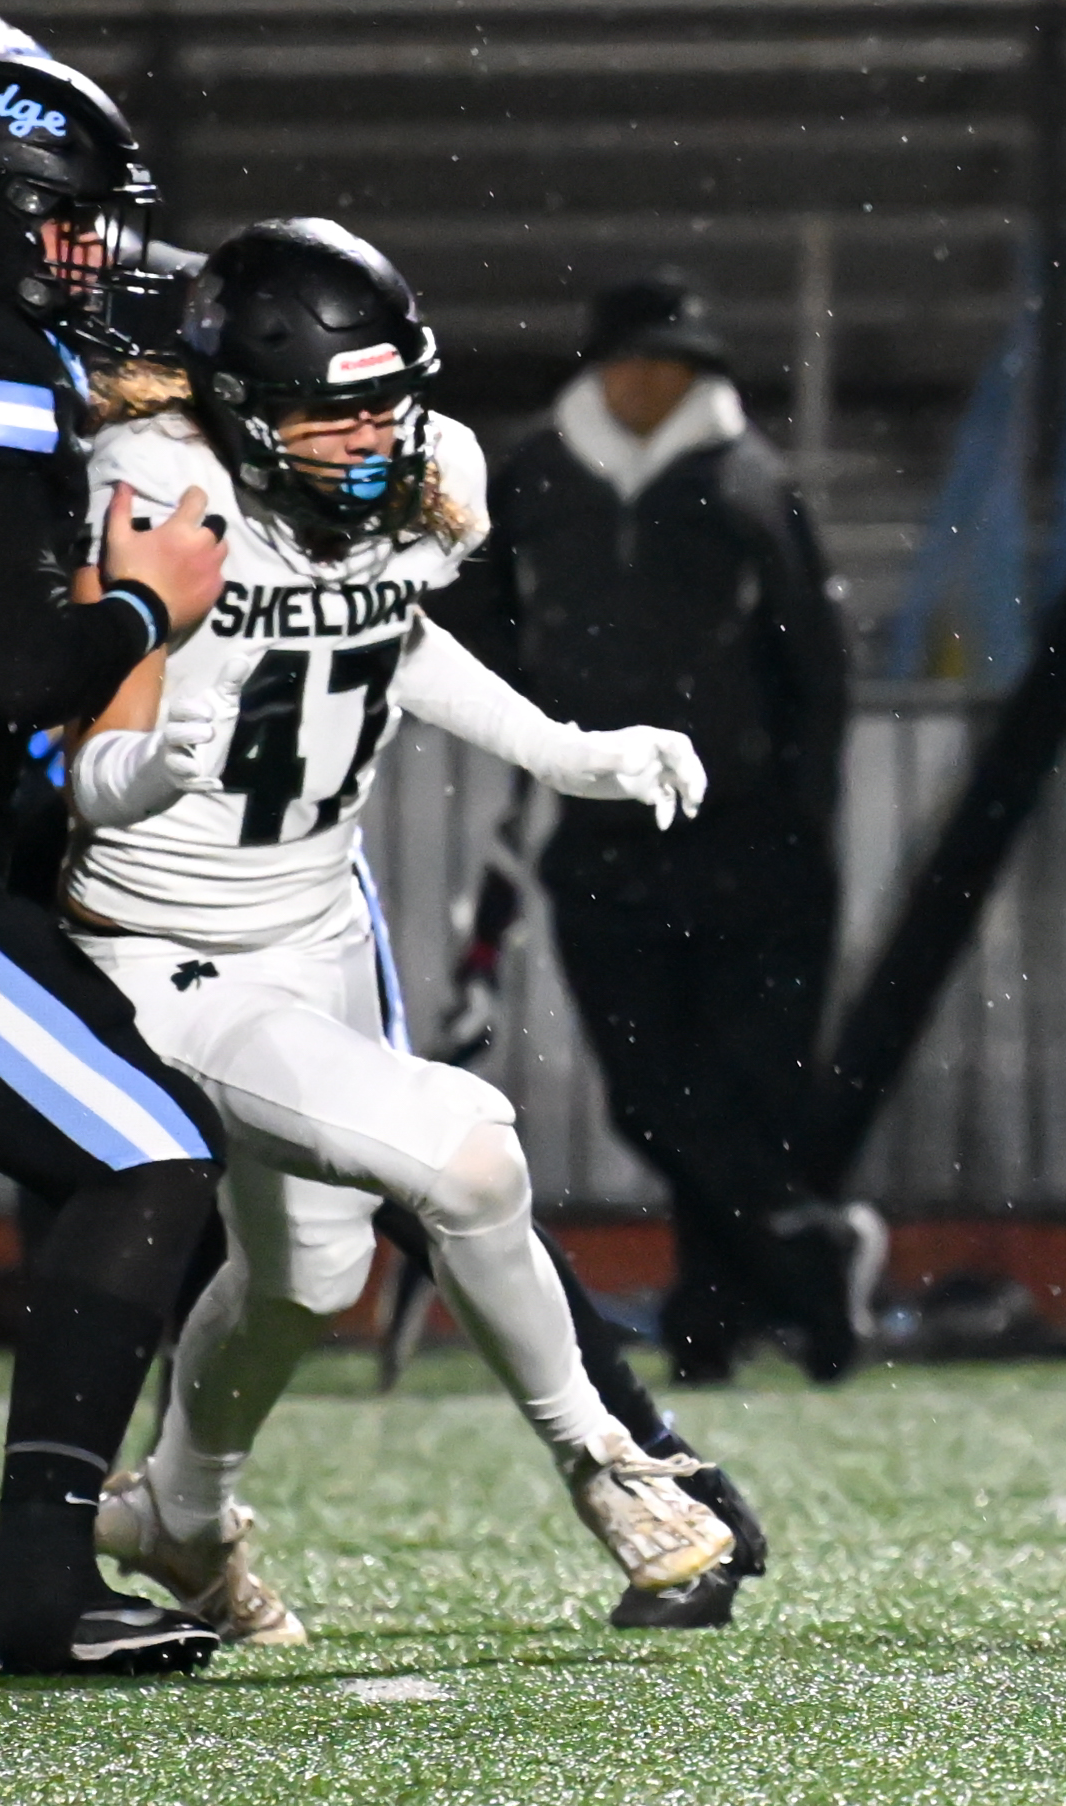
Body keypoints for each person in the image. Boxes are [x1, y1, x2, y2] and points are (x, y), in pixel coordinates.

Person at [55, 219, 745, 1645]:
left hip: (312, 925)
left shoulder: (424, 479)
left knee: (312, 1272)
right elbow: (92, 761)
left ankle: (179, 1512)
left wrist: (562, 750)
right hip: (164, 945)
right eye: (332, 410)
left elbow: (387, 636)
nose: (372, 437)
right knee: (471, 1150)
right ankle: (610, 1467)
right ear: (240, 408)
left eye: (388, 400)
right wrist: (163, 758)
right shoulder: (159, 488)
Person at [0, 52, 235, 1684]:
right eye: (71, 224)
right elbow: (20, 663)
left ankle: (36, 1579)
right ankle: (37, 1575)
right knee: (153, 1157)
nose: (94, 258)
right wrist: (152, 599)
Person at [429, 270, 877, 1387]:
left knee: (748, 1082)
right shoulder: (533, 479)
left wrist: (801, 814)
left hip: (751, 833)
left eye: (677, 365)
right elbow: (476, 626)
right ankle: (806, 1249)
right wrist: (539, 732)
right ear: (601, 368)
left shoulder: (750, 483)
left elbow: (814, 671)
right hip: (605, 829)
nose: (654, 383)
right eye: (640, 361)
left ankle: (716, 1317)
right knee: (649, 1087)